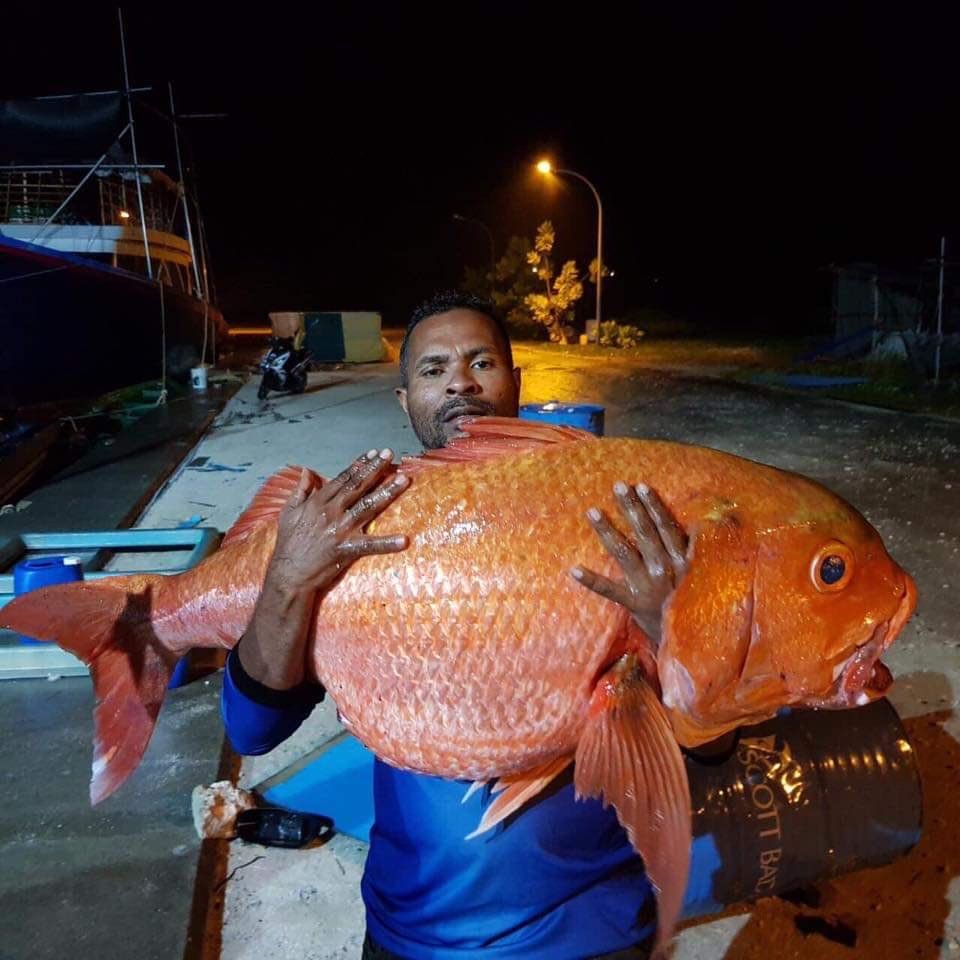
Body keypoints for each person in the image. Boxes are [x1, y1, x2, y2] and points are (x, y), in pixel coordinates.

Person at [221, 291, 688, 960]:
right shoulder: (351, 524)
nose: (461, 381)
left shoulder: (609, 511)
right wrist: (288, 579)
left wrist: (671, 633)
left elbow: (704, 745)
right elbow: (251, 730)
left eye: (481, 362)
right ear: (405, 398)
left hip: (595, 933)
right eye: (434, 369)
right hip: (414, 935)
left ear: (515, 381)